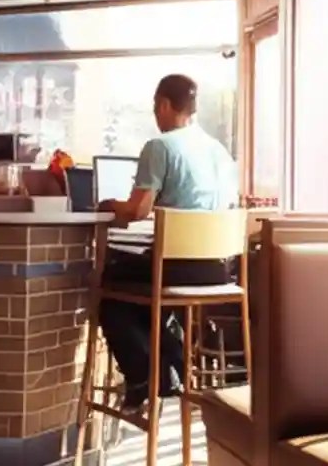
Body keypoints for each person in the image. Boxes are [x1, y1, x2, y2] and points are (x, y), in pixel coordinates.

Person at [97, 74, 237, 415]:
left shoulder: (160, 147)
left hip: (175, 269)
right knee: (145, 293)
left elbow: (137, 210)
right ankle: (170, 361)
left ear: (163, 105)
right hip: (219, 270)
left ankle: (142, 376)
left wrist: (108, 205)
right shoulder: (219, 150)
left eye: (154, 108)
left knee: (107, 283)